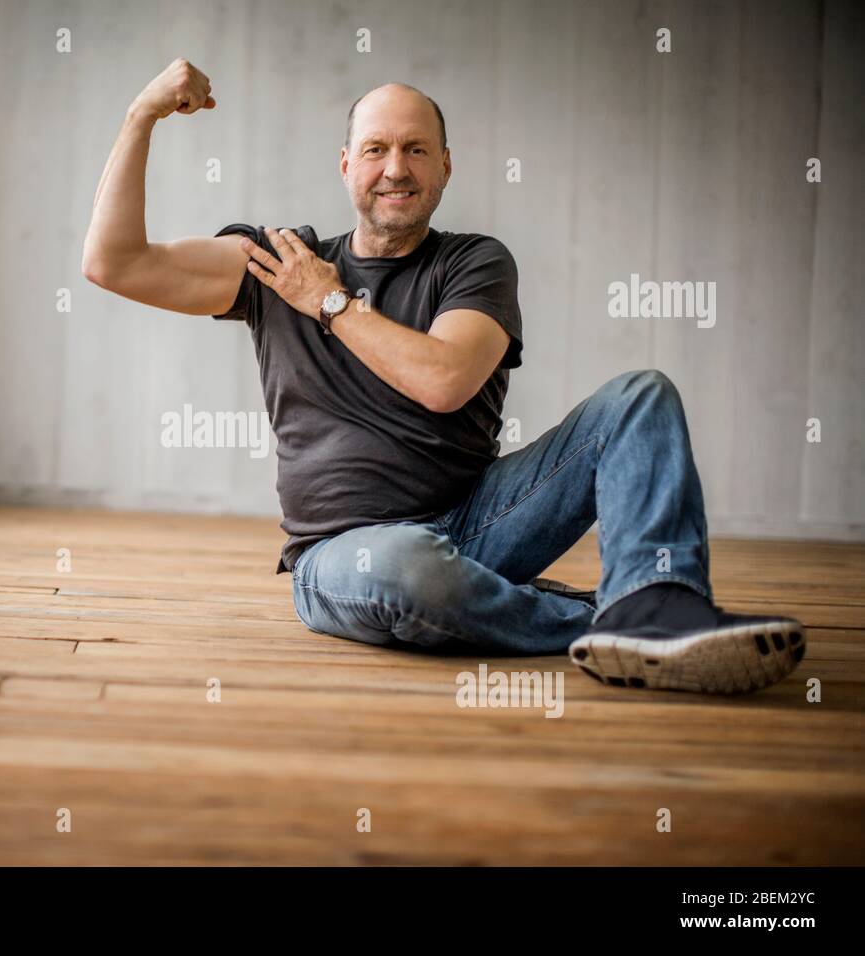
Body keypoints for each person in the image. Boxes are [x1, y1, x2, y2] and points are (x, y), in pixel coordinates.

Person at [81, 58, 805, 695]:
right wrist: (141, 114)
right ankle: (611, 617)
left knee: (640, 397)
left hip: (478, 525)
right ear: (345, 165)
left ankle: (656, 604)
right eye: (376, 150)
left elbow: (445, 381)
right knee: (402, 567)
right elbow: (115, 263)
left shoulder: (475, 262)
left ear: (445, 167)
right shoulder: (278, 262)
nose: (395, 168)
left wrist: (331, 304)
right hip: (345, 554)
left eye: (415, 149)